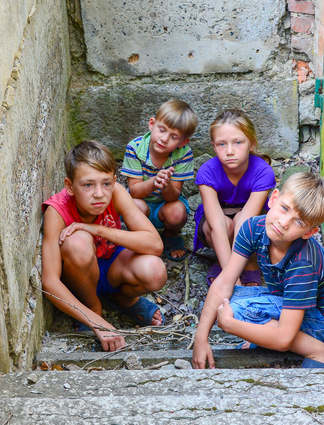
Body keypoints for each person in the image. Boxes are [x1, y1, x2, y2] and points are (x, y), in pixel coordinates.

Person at [191, 172, 324, 369]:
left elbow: (283, 339)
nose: (284, 223)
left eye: (298, 222)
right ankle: (266, 337)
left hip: (323, 321)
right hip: (291, 306)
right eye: (284, 209)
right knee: (228, 299)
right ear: (273, 199)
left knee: (238, 312)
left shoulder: (303, 262)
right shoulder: (252, 228)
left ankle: (323, 352)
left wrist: (232, 325)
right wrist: (201, 339)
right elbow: (223, 283)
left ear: (309, 232)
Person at [41, 140, 167, 351]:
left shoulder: (116, 193)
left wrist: (97, 230)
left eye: (106, 183)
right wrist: (96, 322)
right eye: (88, 185)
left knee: (155, 270)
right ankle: (93, 308)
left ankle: (123, 300)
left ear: (114, 181)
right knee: (78, 241)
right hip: (79, 275)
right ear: (70, 186)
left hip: (111, 265)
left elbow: (155, 244)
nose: (99, 193)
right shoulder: (57, 211)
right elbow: (50, 282)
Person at [193, 109, 276, 286]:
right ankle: (224, 262)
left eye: (238, 142)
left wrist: (231, 278)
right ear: (214, 146)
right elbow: (217, 227)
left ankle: (250, 262)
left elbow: (244, 223)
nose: (229, 151)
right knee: (222, 224)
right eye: (221, 144)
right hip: (218, 225)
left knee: (243, 221)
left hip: (247, 220)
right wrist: (234, 283)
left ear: (251, 144)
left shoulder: (263, 172)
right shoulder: (207, 172)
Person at [122, 99, 198, 262]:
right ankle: (141, 236)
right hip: (141, 203)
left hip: (165, 204)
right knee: (135, 206)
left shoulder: (184, 154)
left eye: (173, 137)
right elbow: (134, 191)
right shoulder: (135, 148)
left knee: (177, 212)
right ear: (152, 124)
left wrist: (166, 185)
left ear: (183, 142)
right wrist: (154, 180)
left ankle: (170, 234)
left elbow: (173, 196)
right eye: (161, 130)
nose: (164, 139)